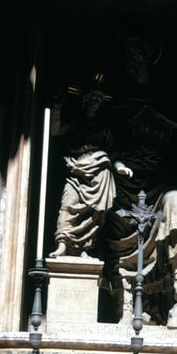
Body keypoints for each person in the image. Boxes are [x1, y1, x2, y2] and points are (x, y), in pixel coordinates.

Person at [102, 27, 177, 324]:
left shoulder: (165, 101)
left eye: (137, 54)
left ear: (149, 58)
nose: (132, 61)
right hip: (123, 187)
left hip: (159, 187)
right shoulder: (118, 104)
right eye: (127, 56)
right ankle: (123, 296)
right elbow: (102, 141)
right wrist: (114, 164)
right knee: (106, 202)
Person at [49, 75, 117, 259]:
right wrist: (56, 108)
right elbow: (54, 131)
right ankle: (63, 243)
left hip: (99, 174)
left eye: (99, 100)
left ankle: (85, 247)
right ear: (85, 99)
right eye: (92, 98)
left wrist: (119, 166)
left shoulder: (104, 128)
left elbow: (114, 152)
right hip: (77, 171)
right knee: (67, 204)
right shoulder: (75, 123)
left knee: (93, 214)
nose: (96, 102)